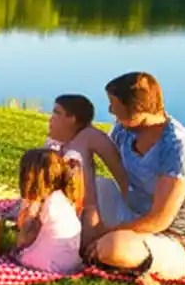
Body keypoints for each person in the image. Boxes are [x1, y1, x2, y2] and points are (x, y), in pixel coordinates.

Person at [84, 72, 185, 285]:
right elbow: (96, 148)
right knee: (91, 187)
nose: (110, 111)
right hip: (132, 215)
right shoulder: (124, 131)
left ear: (136, 110)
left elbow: (159, 220)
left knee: (114, 247)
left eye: (114, 105)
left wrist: (105, 232)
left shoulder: (178, 147)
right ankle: (99, 250)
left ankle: (120, 260)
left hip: (175, 241)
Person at [44, 94, 128, 234]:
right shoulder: (55, 140)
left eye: (57, 113)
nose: (51, 118)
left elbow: (119, 168)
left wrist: (132, 202)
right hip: (57, 208)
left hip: (87, 211)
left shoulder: (90, 136)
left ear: (73, 119)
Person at [11, 148, 85, 275]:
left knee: (17, 252)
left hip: (47, 264)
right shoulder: (64, 198)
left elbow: (26, 239)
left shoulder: (43, 204)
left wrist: (26, 217)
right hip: (71, 263)